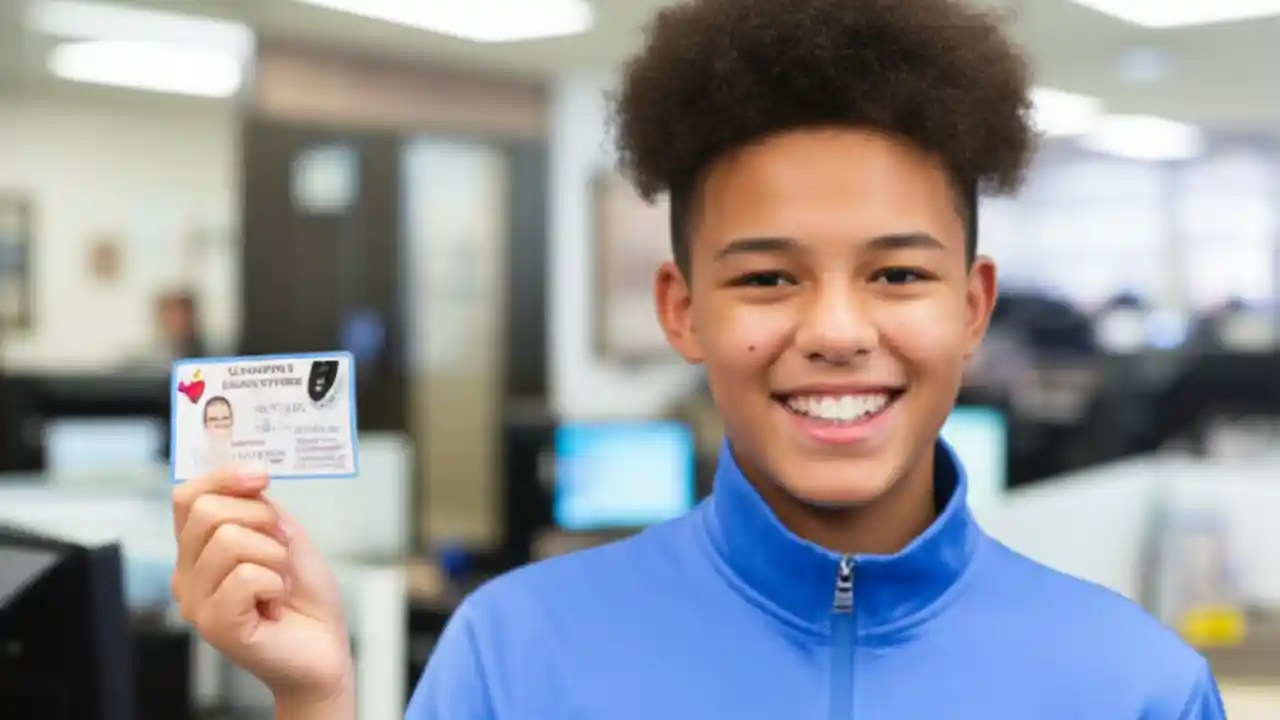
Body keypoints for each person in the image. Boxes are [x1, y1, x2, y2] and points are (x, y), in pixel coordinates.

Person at [169, 0, 1227, 717]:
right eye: (767, 278)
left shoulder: (1131, 685)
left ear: (970, 306)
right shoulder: (515, 652)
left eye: (895, 275)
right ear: (681, 311)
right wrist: (314, 700)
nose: (835, 330)